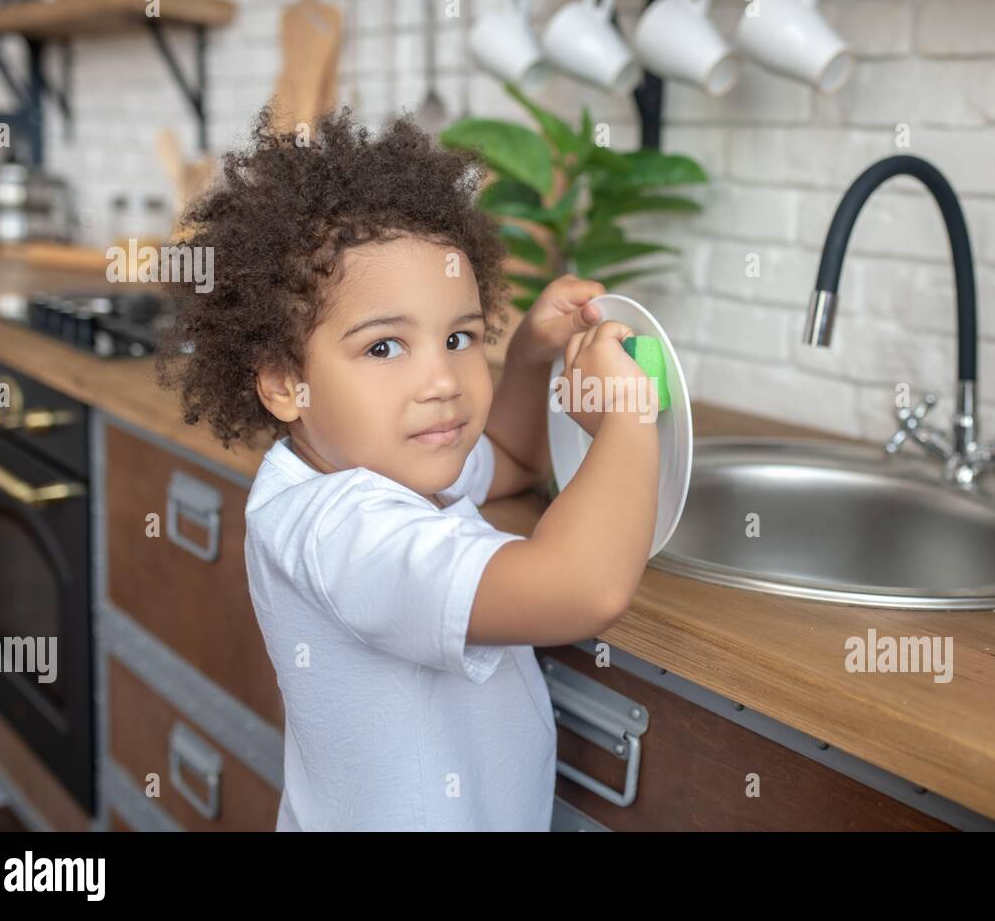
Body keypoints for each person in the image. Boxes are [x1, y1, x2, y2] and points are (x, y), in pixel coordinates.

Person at [153, 105, 659, 830]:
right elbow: (585, 588)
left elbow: (510, 461)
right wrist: (627, 419)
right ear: (281, 382)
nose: (443, 381)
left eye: (460, 336)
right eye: (385, 348)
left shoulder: (374, 460)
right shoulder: (348, 533)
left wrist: (530, 359)